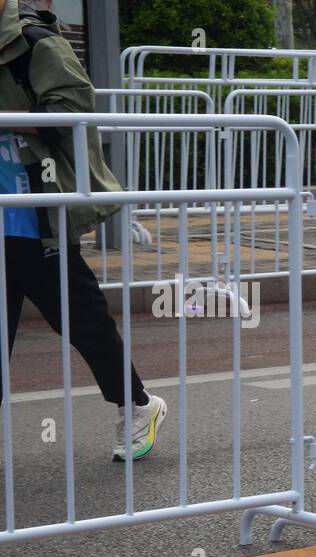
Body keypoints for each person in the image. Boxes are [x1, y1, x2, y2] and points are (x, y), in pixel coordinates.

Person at [0, 0, 165, 461]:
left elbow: (72, 109)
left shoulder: (36, 43)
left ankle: (137, 407)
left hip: (36, 213)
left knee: (82, 320)